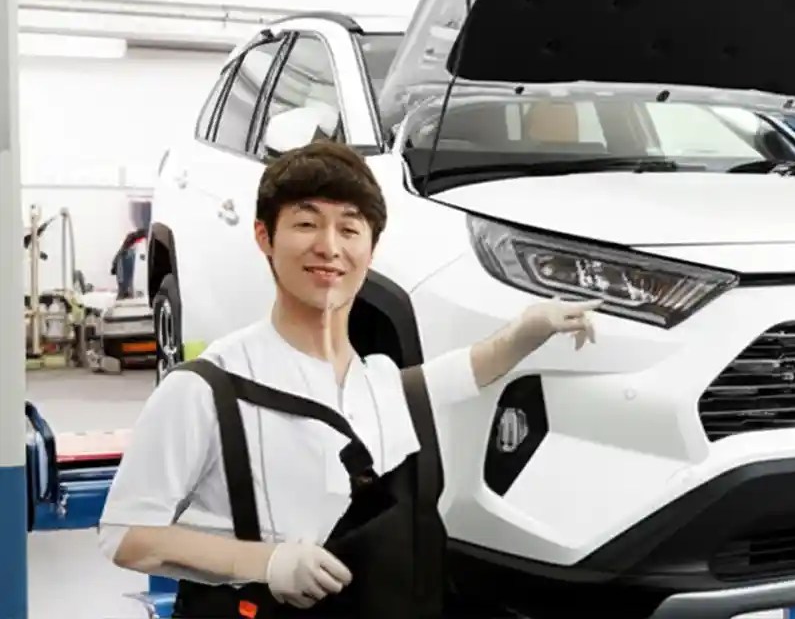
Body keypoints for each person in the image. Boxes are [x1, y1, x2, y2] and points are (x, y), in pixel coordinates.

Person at [97, 142, 601, 617]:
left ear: (372, 248)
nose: (328, 246)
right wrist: (264, 563)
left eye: (350, 228)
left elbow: (467, 369)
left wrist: (528, 331)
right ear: (263, 237)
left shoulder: (382, 386)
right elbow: (124, 535)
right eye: (306, 222)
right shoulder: (207, 389)